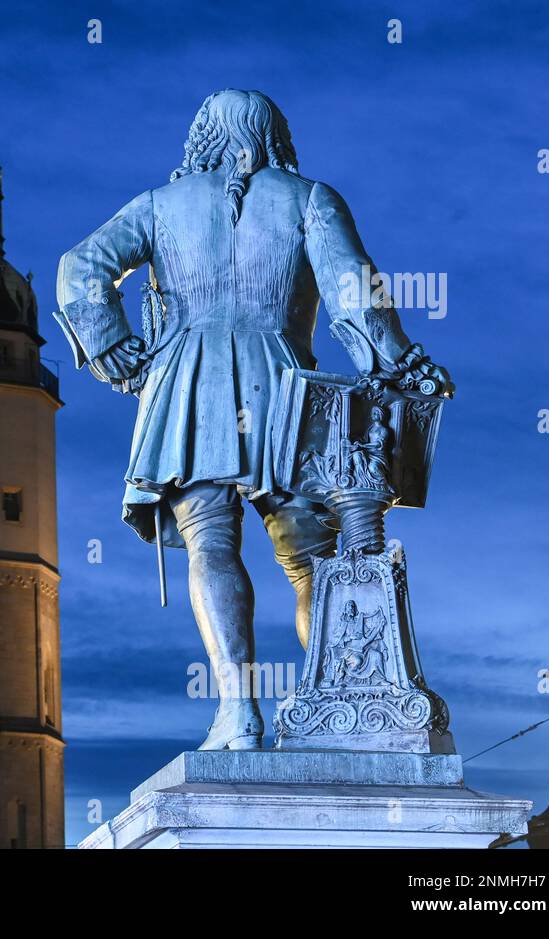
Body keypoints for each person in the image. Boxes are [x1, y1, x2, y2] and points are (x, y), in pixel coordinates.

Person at [54, 89, 453, 750]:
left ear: (203, 138)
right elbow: (354, 291)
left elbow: (79, 268)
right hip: (288, 388)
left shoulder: (159, 205)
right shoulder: (309, 198)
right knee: (315, 562)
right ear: (273, 137)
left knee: (210, 539)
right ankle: (342, 706)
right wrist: (401, 360)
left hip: (187, 387)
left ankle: (237, 713)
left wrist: (112, 344)